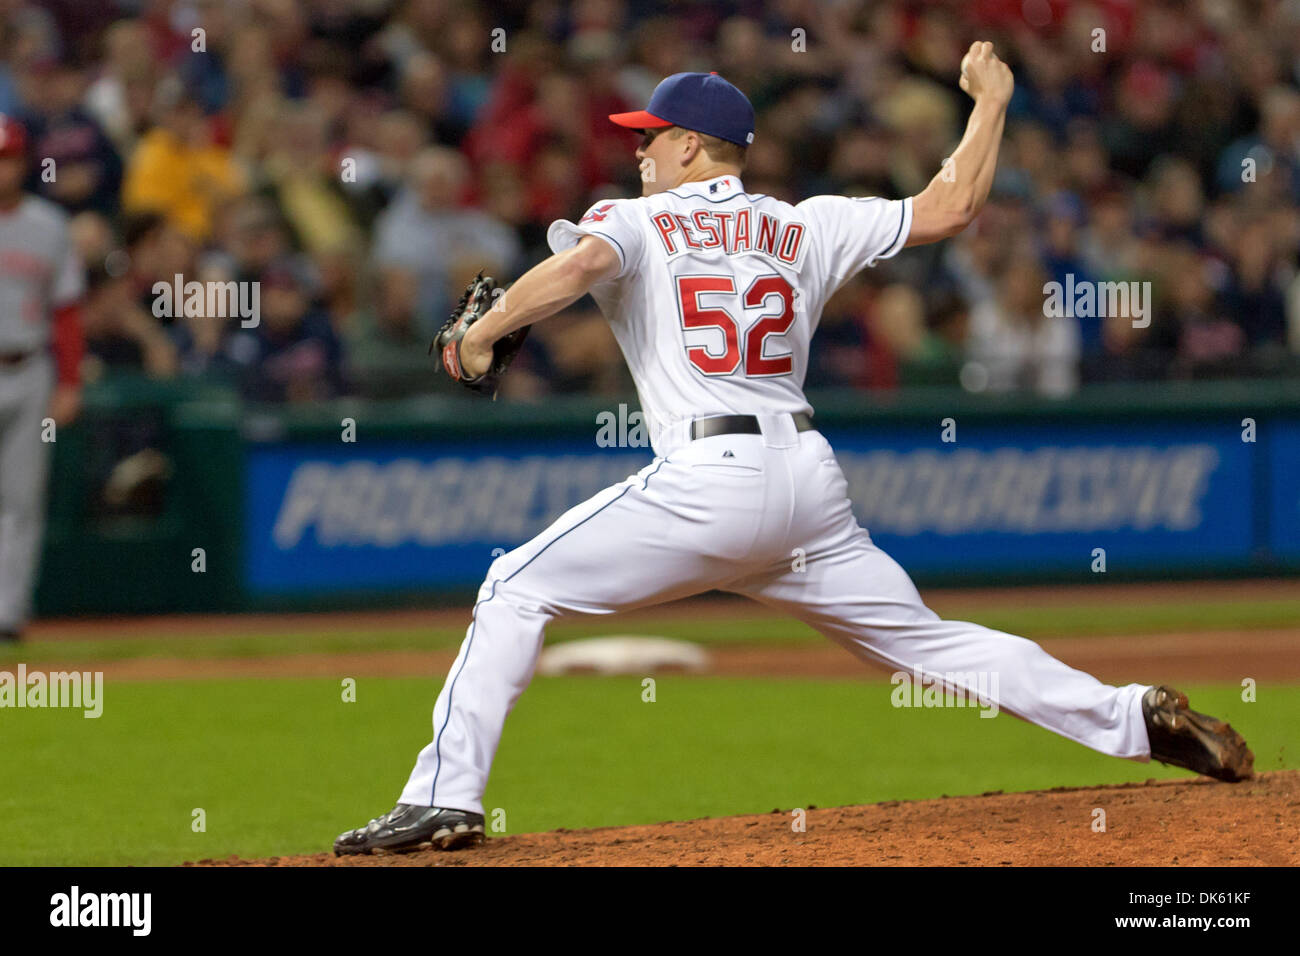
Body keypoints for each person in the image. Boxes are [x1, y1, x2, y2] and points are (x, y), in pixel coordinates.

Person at [335, 51, 1254, 855]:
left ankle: (441, 799)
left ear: (691, 146)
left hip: (705, 482)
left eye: (651, 134)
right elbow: (952, 206)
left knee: (513, 587)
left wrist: (482, 333)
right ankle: (1131, 713)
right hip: (808, 485)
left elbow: (577, 268)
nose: (639, 147)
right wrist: (989, 104)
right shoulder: (805, 222)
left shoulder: (635, 217)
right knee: (931, 645)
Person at [0, 116, 85, 643]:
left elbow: (67, 312)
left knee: (22, 499)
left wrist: (70, 381)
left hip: (30, 368)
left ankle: (7, 614)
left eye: (7, 158)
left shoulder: (49, 225)